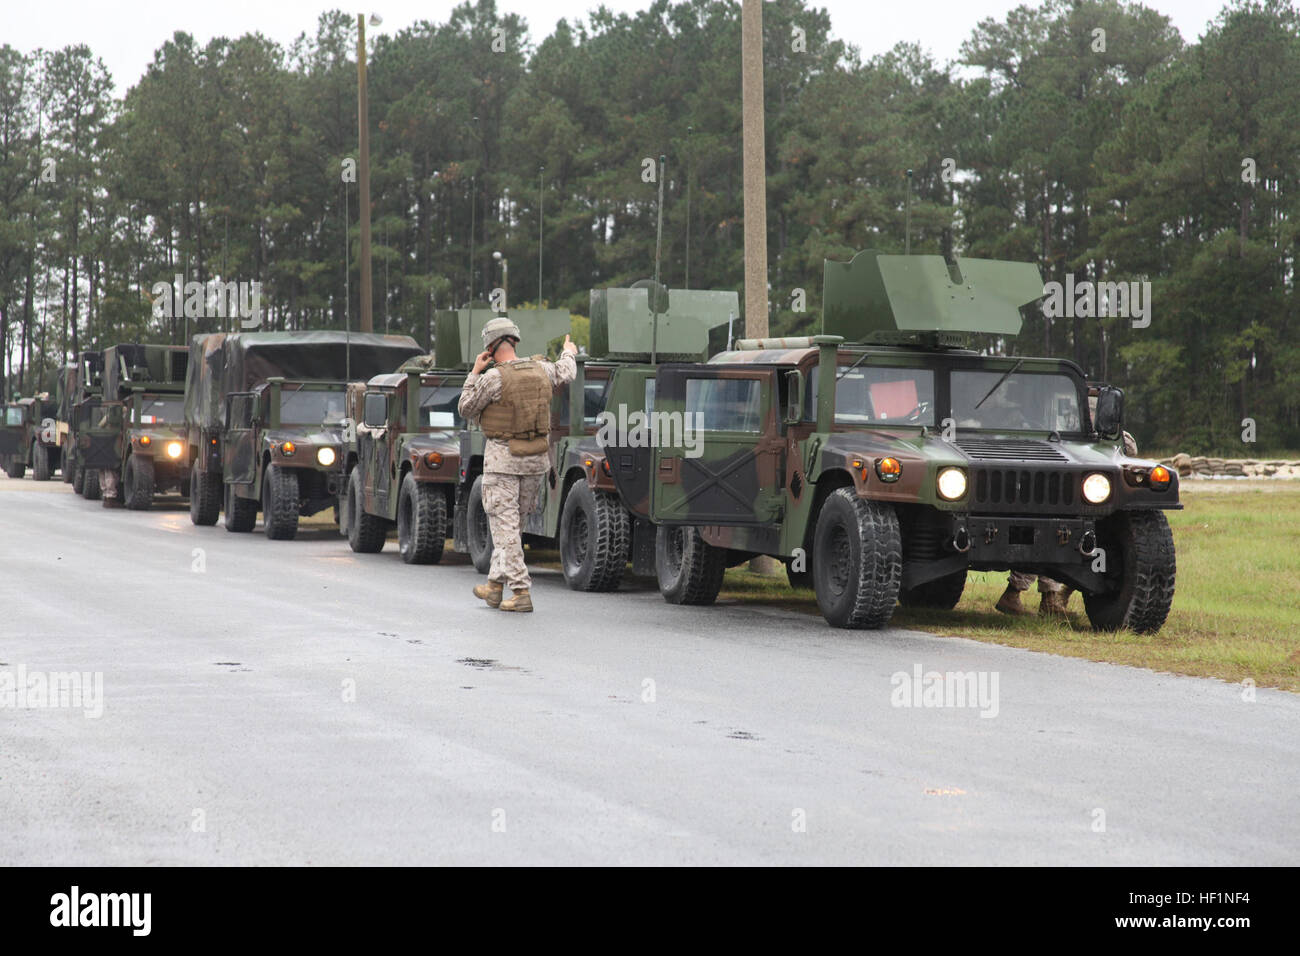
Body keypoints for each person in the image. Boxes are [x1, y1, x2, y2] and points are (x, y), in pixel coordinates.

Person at [458, 317, 577, 612]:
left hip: (503, 463)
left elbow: (466, 407)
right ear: (514, 340)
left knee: (505, 530)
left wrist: (474, 372)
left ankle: (521, 591)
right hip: (535, 461)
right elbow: (567, 372)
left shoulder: (493, 378)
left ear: (490, 346)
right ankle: (495, 587)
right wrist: (569, 351)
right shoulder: (542, 369)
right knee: (512, 529)